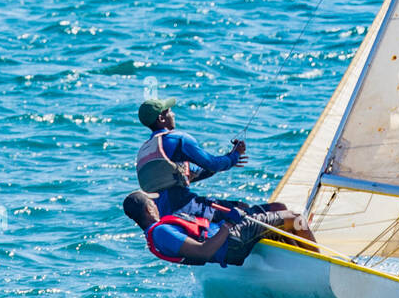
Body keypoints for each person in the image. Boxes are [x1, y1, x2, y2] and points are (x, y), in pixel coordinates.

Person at [134, 96, 317, 242]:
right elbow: (212, 163)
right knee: (278, 209)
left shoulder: (146, 150)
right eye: (169, 111)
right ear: (161, 118)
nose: (173, 114)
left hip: (168, 213)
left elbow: (190, 175)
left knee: (245, 208)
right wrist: (234, 156)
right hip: (189, 208)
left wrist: (229, 158)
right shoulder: (177, 139)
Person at [122, 190, 305, 267]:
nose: (156, 205)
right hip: (232, 241)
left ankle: (298, 260)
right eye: (152, 203)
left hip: (228, 238)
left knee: (279, 215)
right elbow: (203, 252)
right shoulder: (162, 232)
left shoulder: (157, 233)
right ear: (148, 209)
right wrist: (228, 225)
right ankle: (319, 261)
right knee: (295, 219)